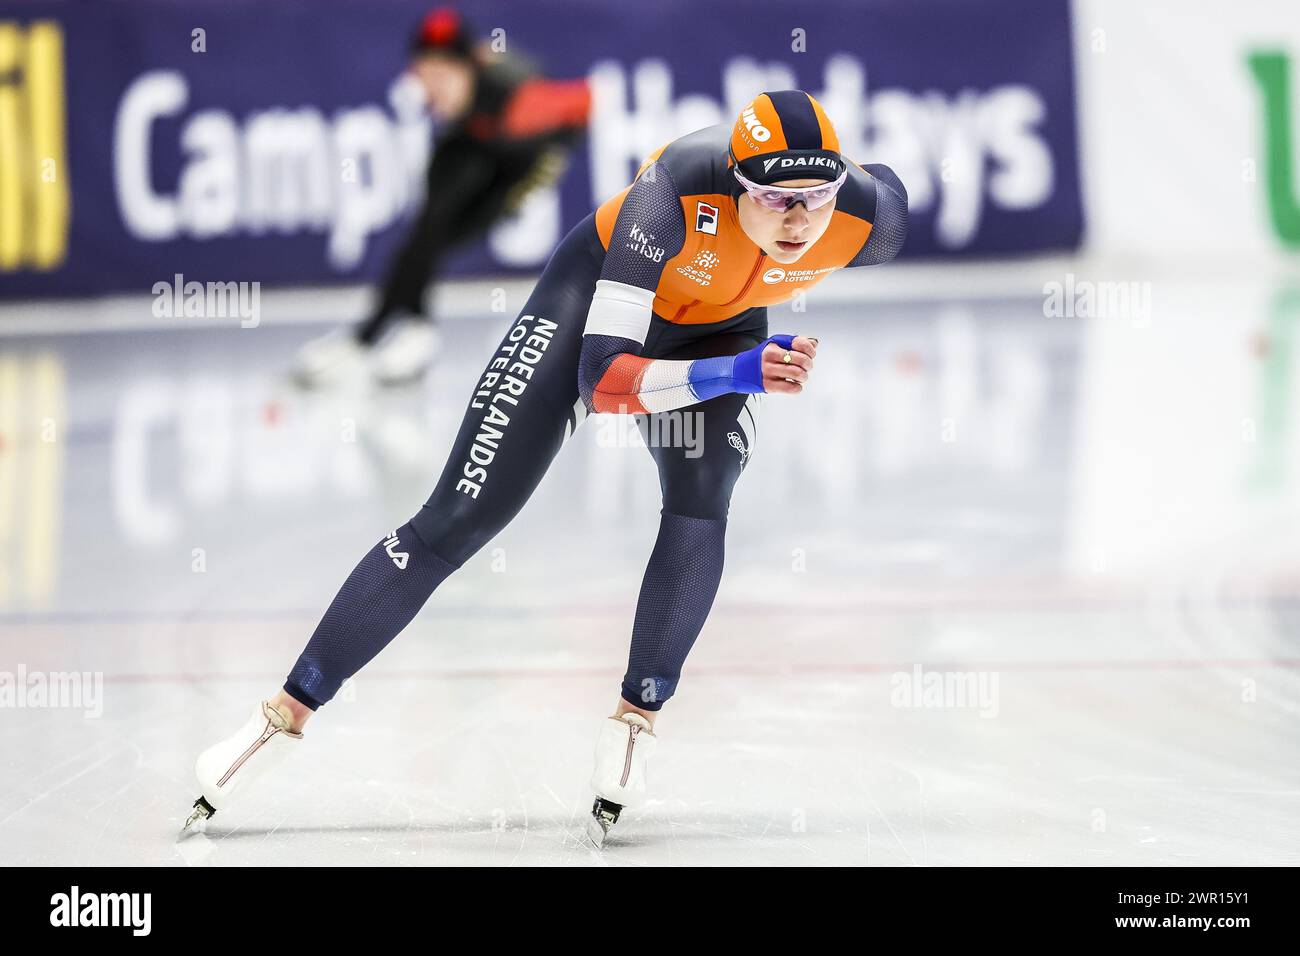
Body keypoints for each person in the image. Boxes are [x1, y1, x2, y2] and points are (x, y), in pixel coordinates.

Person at [186, 90, 908, 845]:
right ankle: (282, 717)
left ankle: (637, 717)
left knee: (703, 496)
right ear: (734, 182)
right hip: (595, 314)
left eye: (814, 198)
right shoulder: (670, 197)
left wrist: (734, 360)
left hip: (719, 330)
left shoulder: (867, 219)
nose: (797, 221)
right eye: (772, 198)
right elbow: (604, 383)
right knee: (456, 520)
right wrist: (737, 374)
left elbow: (888, 183)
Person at [294, 6, 592, 387]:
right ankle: (392, 334)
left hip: (518, 162)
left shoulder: (517, 95)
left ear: (473, 65)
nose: (430, 88)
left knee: (438, 237)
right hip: (471, 139)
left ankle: (379, 337)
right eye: (423, 74)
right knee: (425, 233)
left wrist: (555, 151)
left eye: (441, 76)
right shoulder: (461, 103)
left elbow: (583, 102)